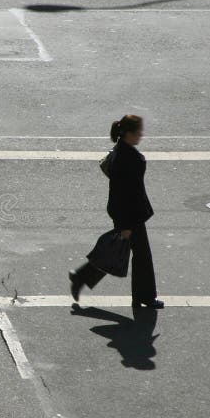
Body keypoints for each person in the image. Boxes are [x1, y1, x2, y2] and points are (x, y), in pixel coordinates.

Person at [70, 115, 164, 309]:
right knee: (138, 256)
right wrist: (126, 225)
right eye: (138, 131)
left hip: (126, 213)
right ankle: (144, 297)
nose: (141, 134)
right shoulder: (127, 158)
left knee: (117, 251)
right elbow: (127, 194)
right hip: (130, 216)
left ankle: (83, 277)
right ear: (129, 133)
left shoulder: (120, 152)